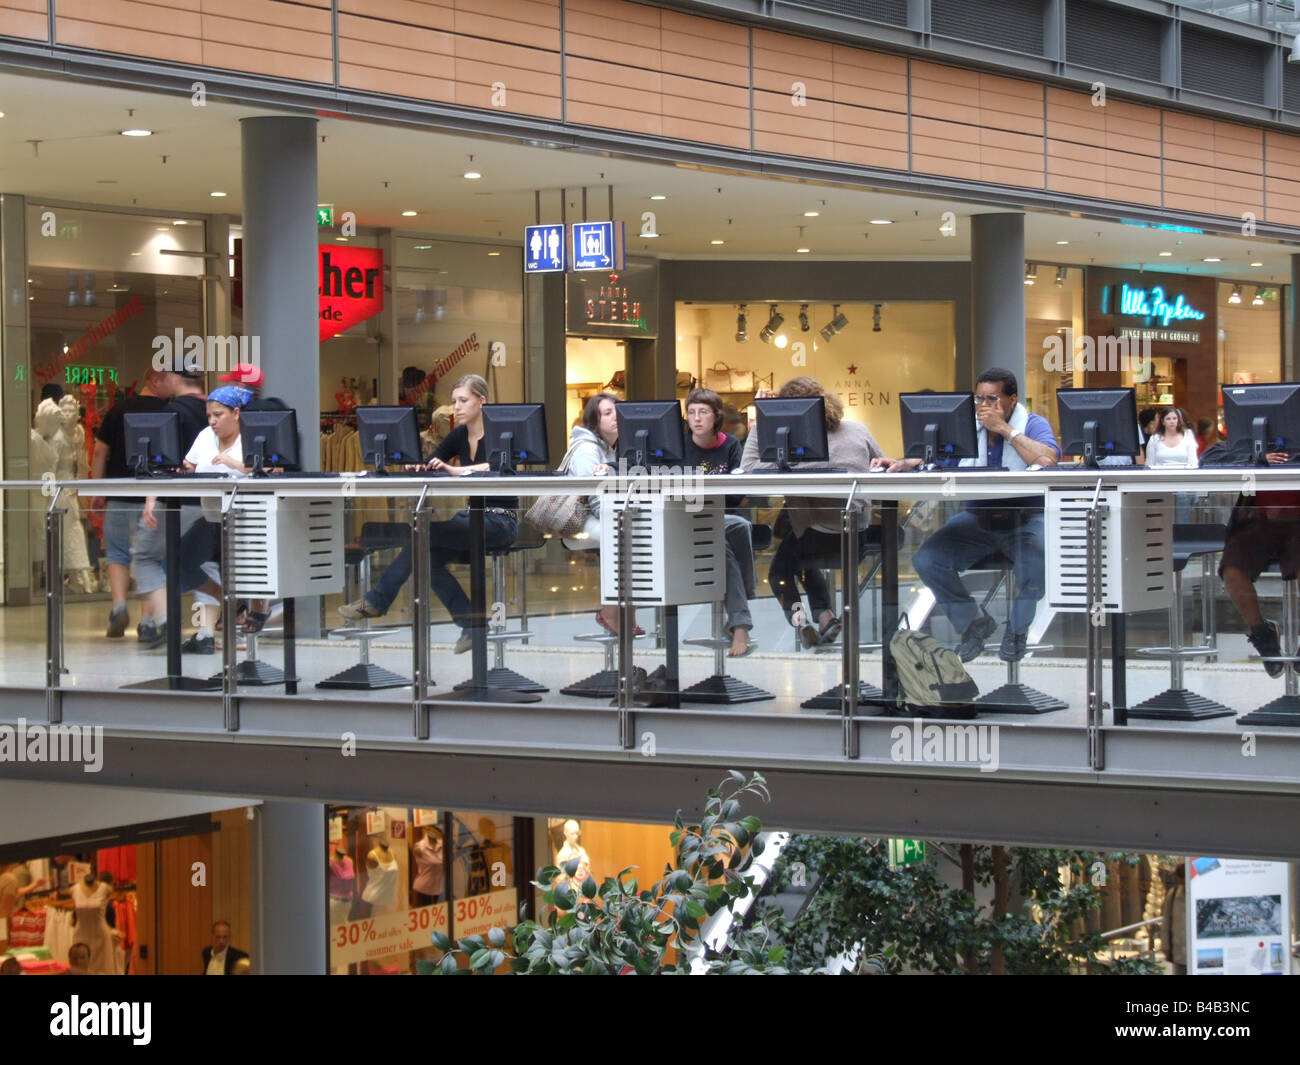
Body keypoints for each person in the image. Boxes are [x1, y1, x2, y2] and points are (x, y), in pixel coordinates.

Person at [881, 368, 1061, 662]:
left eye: (993, 399)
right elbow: (937, 457)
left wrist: (1005, 429)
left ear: (1012, 399)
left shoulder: (1032, 423)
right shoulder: (967, 425)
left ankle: (1017, 632)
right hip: (978, 519)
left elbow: (1048, 460)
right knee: (928, 560)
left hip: (1025, 518)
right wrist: (904, 463)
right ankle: (974, 623)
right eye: (979, 399)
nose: (984, 406)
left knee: (1034, 571)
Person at [338, 374, 518, 654]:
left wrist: (454, 470)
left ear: (481, 402)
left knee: (424, 533)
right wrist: (420, 467)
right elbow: (434, 460)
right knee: (426, 558)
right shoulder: (459, 434)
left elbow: (497, 467)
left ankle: (376, 600)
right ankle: (471, 625)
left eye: (463, 400)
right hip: (470, 518)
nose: (456, 407)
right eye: (454, 401)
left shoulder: (501, 432)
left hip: (500, 521)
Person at [741, 377, 885, 648]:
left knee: (779, 572)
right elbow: (883, 466)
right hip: (857, 535)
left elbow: (749, 469)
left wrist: (763, 424)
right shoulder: (858, 429)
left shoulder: (793, 444)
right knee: (804, 564)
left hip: (813, 533)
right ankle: (825, 616)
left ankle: (801, 621)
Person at [86, 367, 174, 637]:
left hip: (118, 495)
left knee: (117, 553)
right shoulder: (168, 413)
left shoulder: (118, 410)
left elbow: (101, 450)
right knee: (151, 558)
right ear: (156, 380)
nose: (175, 385)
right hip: (154, 499)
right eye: (171, 379)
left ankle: (119, 605)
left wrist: (97, 489)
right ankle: (147, 620)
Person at [172, 386, 254, 654]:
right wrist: (181, 469)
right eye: (209, 416)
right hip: (211, 516)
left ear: (236, 413)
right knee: (178, 561)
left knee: (237, 571)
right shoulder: (206, 436)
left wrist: (233, 463)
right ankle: (228, 600)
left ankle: (239, 627)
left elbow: (268, 471)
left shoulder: (250, 437)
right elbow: (191, 465)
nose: (212, 421)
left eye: (218, 415)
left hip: (244, 518)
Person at [133, 369, 210, 649]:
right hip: (209, 500)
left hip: (175, 500)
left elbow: (159, 460)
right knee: (199, 561)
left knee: (145, 556)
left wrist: (151, 496)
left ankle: (167, 620)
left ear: (176, 380)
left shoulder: (171, 412)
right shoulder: (216, 411)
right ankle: (208, 629)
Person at [560, 392, 642, 636]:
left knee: (633, 536)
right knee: (621, 537)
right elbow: (594, 494)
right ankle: (610, 613)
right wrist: (618, 519)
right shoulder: (587, 449)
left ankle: (626, 613)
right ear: (594, 422)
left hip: (600, 516)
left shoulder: (612, 449)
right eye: (607, 413)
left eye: (617, 412)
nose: (615, 417)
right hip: (578, 520)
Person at [683, 387, 756, 656]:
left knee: (741, 526)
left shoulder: (730, 445)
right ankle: (740, 623)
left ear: (716, 417)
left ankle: (739, 615)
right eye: (691, 412)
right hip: (685, 519)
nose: (697, 418)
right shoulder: (678, 446)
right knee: (725, 537)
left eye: (703, 412)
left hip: (719, 516)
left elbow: (737, 496)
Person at [1214, 449, 1300, 676]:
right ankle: (1262, 632)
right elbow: (1211, 457)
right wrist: (1256, 458)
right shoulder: (1252, 440)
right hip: (1260, 524)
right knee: (1231, 567)